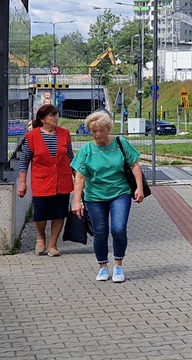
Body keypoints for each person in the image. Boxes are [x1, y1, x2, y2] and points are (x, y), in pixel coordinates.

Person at [71, 109, 145, 283]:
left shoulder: (121, 143)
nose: (97, 135)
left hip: (120, 192)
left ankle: (118, 264)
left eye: (101, 130)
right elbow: (79, 177)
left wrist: (139, 188)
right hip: (94, 196)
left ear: (108, 129)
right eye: (93, 131)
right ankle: (102, 266)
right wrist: (76, 201)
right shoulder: (87, 150)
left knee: (118, 229)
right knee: (100, 232)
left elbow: (134, 165)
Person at [15, 103, 74, 256]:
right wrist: (22, 183)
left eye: (56, 114)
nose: (56, 118)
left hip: (62, 180)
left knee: (59, 213)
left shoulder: (65, 134)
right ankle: (41, 237)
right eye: (52, 115)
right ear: (43, 119)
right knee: (40, 213)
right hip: (42, 180)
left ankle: (53, 245)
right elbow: (24, 161)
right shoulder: (32, 136)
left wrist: (78, 177)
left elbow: (70, 157)